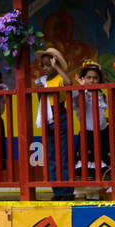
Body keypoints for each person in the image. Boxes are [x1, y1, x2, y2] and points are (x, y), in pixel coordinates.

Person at [35, 47, 74, 201]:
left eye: (48, 64)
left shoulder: (59, 78)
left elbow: (69, 83)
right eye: (43, 65)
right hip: (46, 115)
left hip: (59, 114)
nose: (45, 68)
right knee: (51, 154)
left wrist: (57, 66)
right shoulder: (41, 82)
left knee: (63, 154)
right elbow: (41, 101)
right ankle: (56, 189)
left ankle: (66, 190)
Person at [75, 62, 110, 181]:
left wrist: (105, 119)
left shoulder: (102, 95)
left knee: (101, 158)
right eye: (88, 77)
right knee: (88, 162)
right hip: (88, 134)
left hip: (102, 133)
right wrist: (82, 88)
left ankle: (97, 193)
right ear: (83, 79)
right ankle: (88, 194)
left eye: (95, 78)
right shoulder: (81, 94)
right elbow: (79, 104)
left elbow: (101, 112)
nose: (92, 80)